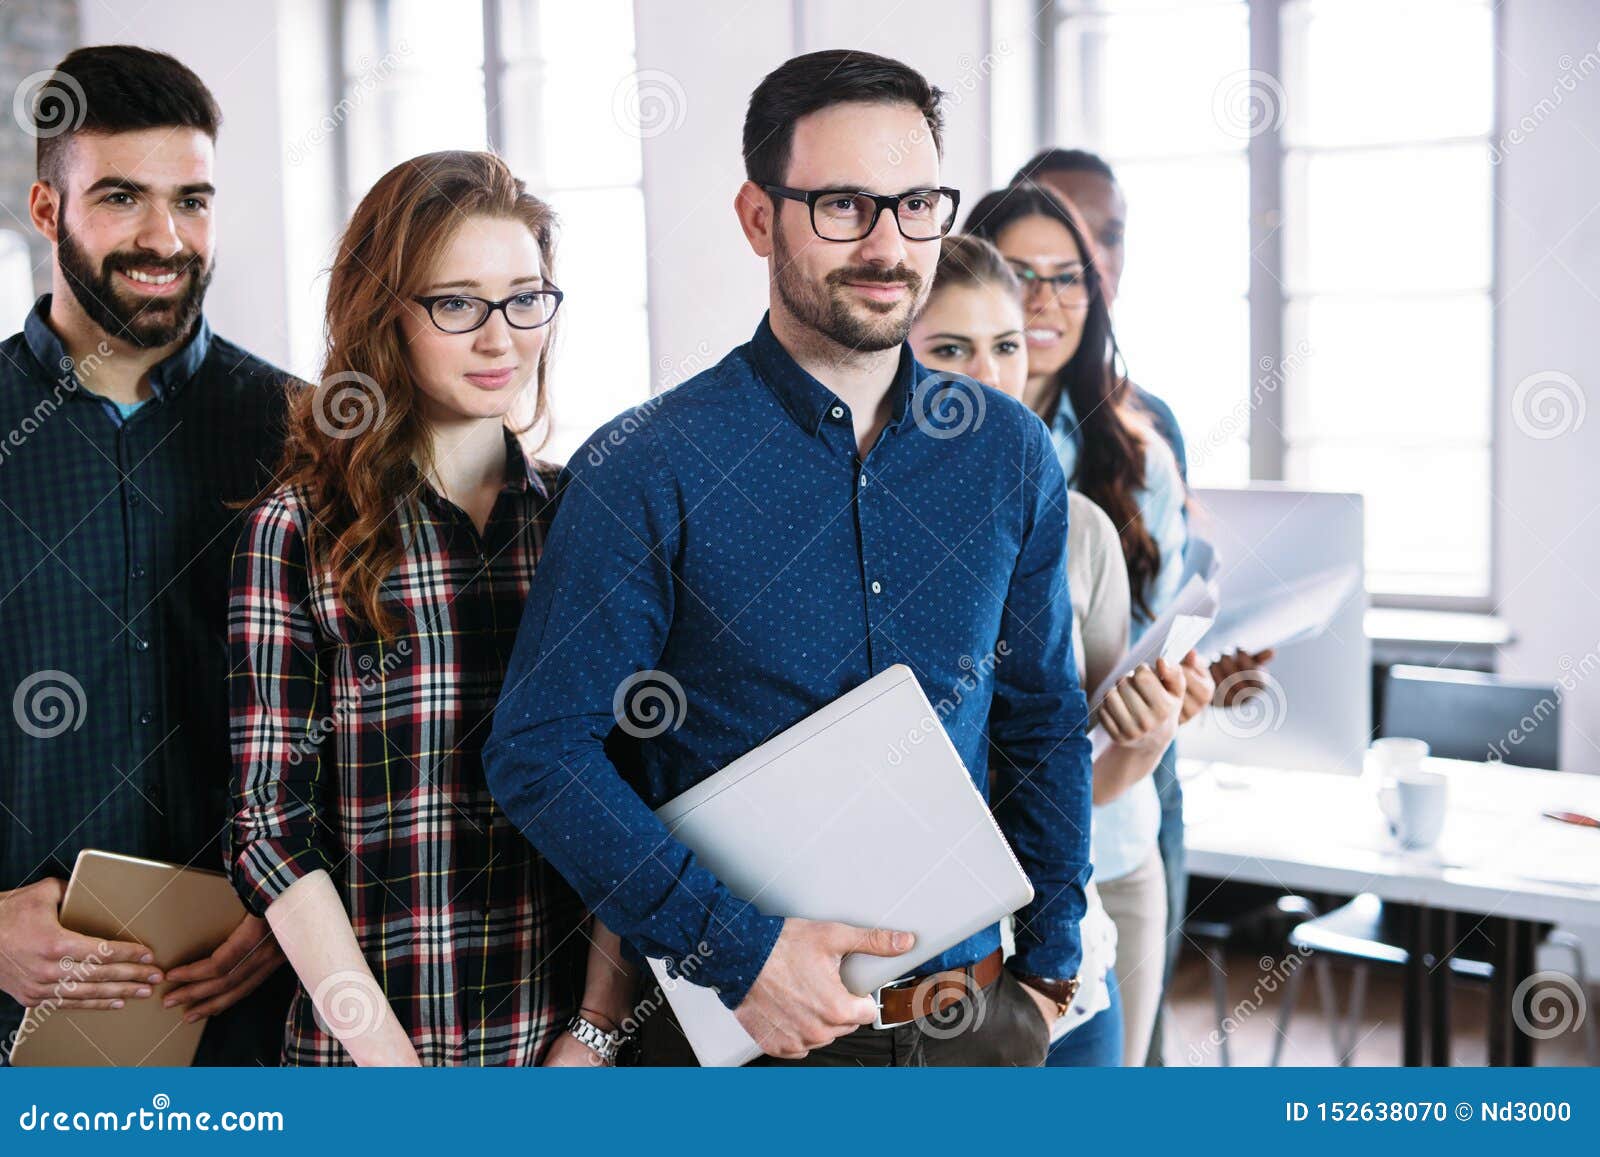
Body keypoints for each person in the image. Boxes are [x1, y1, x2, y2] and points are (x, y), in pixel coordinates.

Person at [484, 50, 1093, 1067]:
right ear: (759, 217)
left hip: (972, 1027)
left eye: (916, 204)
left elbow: (1040, 714)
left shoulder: (1006, 453)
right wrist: (736, 947)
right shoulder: (647, 466)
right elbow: (540, 752)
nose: (888, 244)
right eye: (843, 205)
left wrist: (1048, 970)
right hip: (742, 1034)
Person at [228, 151, 632, 1066]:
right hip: (367, 1066)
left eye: (526, 298)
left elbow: (631, 784)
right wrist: (393, 1068)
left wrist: (598, 1028)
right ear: (386, 318)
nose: (502, 338)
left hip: (562, 1057)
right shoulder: (296, 529)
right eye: (457, 303)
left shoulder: (587, 515)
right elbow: (266, 824)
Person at [0, 45, 292, 1065]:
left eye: (193, 200)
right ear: (47, 209)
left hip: (268, 1019)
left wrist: (304, 897)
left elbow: (370, 710)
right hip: (25, 1028)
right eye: (121, 197)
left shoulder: (303, 432)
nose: (164, 237)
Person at [1011, 149, 1276, 1063]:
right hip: (998, 854)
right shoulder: (927, 443)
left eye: (1079, 265)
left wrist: (1186, 684)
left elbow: (1163, 634)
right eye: (1024, 273)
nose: (1050, 296)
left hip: (1119, 825)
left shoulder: (1138, 443)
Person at [910, 235, 1186, 1066]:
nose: (990, 376)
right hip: (907, 956)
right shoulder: (849, 534)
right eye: (950, 349)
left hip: (1050, 942)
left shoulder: (1083, 530)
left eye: (1007, 347)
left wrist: (1146, 739)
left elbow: (1075, 776)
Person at [966, 184, 1215, 1063]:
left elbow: (1120, 694)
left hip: (1104, 846)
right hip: (955, 901)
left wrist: (1167, 703)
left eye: (1066, 277)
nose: (1043, 303)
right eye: (1020, 276)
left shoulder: (1110, 484)